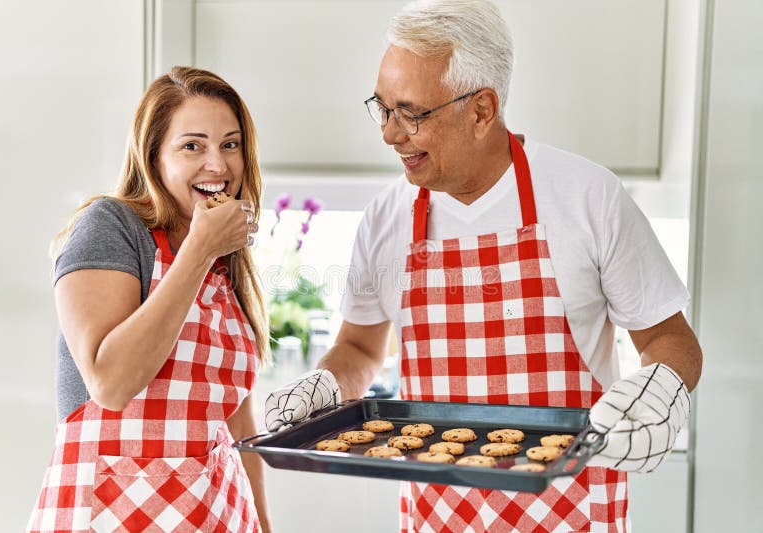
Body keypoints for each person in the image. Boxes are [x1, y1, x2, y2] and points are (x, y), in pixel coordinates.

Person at [265, 1, 702, 531]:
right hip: (438, 513)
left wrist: (660, 387)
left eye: (411, 113)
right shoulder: (386, 217)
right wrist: (326, 384)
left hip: (571, 511)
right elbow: (359, 347)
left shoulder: (588, 197)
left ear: (481, 109)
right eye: (381, 108)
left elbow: (672, 339)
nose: (388, 133)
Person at [27, 66, 271, 532]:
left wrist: (263, 522)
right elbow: (110, 384)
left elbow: (238, 421)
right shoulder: (111, 226)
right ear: (154, 157)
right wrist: (200, 249)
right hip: (110, 515)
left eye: (230, 144)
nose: (218, 166)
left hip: (218, 512)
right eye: (192, 146)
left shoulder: (225, 258)